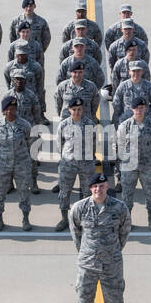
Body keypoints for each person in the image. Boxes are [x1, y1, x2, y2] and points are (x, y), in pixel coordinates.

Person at [70, 173, 133, 303]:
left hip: (111, 264)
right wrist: (87, 252)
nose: (98, 189)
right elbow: (76, 234)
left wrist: (112, 251)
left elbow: (125, 231)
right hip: (87, 265)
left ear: (107, 187)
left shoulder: (119, 208)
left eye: (102, 186)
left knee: (115, 302)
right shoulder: (79, 208)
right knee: (83, 302)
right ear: (90, 188)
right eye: (95, 187)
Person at [0, 96, 35, 231]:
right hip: (2, 165)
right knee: (0, 192)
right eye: (7, 109)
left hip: (21, 164)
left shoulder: (25, 125)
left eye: (13, 109)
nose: (10, 112)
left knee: (24, 192)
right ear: (3, 111)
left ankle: (25, 218)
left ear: (16, 109)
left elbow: (30, 143)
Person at [116, 97, 151, 231]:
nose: (139, 110)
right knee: (127, 195)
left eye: (142, 108)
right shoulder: (124, 126)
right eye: (137, 108)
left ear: (145, 109)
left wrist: (148, 155)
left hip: (148, 166)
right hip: (129, 167)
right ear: (132, 109)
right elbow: (118, 145)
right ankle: (127, 220)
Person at [55, 97, 95, 231]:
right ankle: (64, 219)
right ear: (69, 110)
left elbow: (94, 143)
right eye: (74, 110)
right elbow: (59, 144)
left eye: (79, 109)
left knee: (87, 193)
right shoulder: (63, 125)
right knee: (64, 192)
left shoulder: (90, 124)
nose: (77, 112)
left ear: (83, 109)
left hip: (86, 163)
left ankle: (85, 219)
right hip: (68, 164)